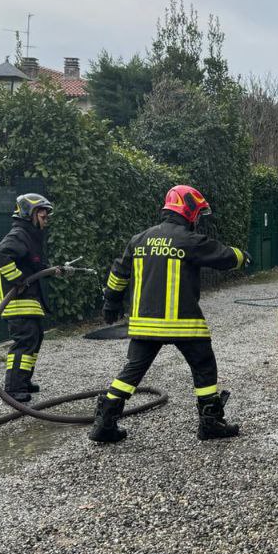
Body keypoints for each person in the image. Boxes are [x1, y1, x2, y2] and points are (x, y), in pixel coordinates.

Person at [89, 185, 249, 444]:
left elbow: (119, 273)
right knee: (204, 366)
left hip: (144, 325)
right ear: (188, 211)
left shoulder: (139, 239)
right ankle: (210, 423)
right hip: (183, 324)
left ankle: (104, 422)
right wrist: (244, 256)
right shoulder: (188, 240)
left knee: (131, 372)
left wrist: (111, 302)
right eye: (197, 213)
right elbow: (224, 256)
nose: (197, 219)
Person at [0, 193, 55, 402]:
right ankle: (13, 387)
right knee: (25, 341)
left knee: (35, 338)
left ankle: (24, 381)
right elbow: (0, 255)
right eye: (42, 211)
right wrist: (18, 279)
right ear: (30, 212)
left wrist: (48, 270)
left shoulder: (31, 235)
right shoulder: (20, 233)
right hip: (17, 300)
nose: (46, 216)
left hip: (29, 298)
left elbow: (32, 263)